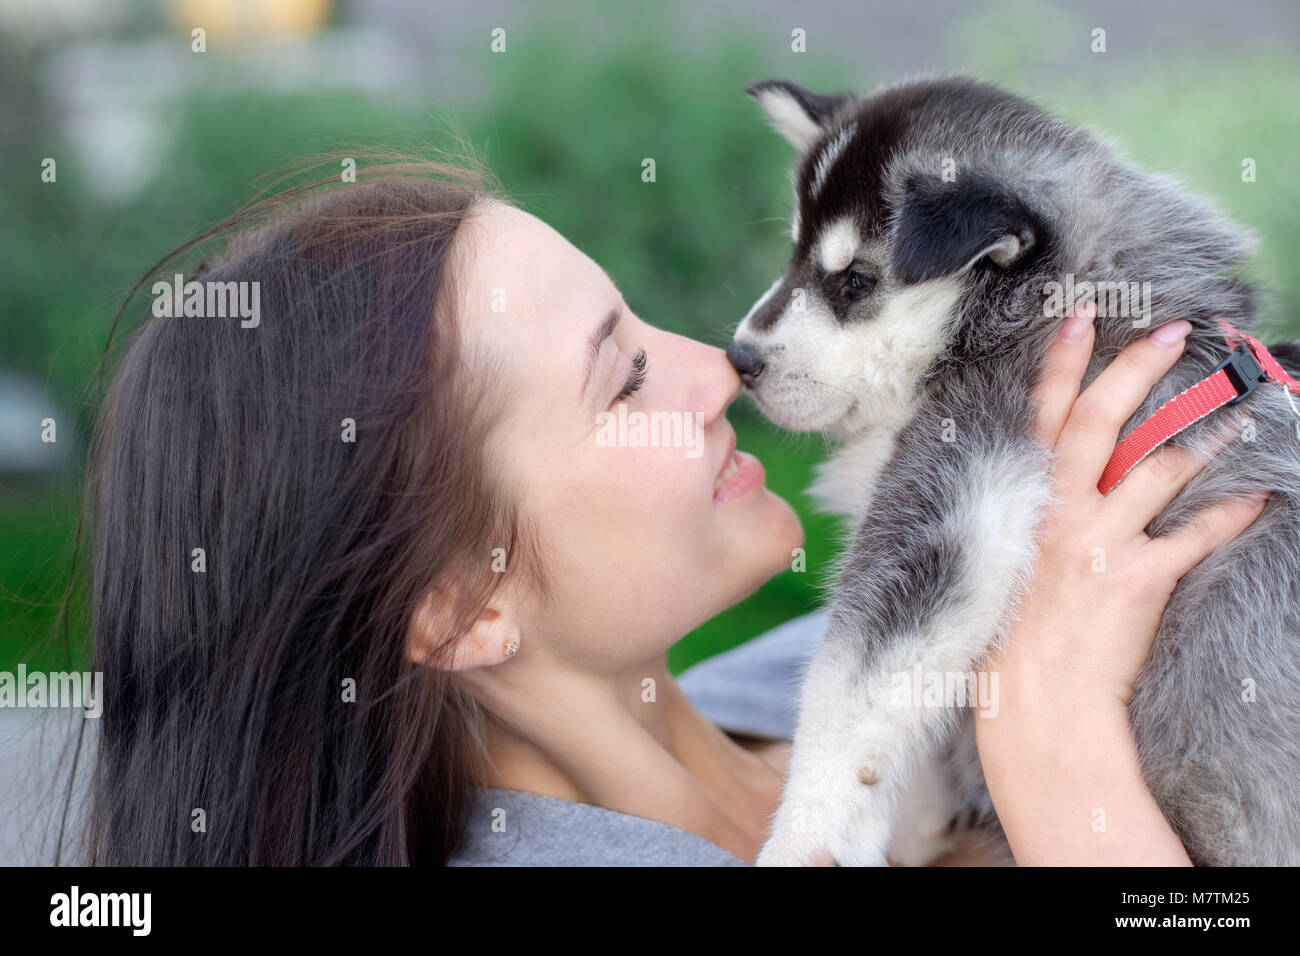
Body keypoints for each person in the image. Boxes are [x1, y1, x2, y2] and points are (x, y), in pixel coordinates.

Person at [76, 158, 1266, 866]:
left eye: (641, 321)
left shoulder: (893, 652)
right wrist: (1059, 757)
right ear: (459, 605)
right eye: (622, 377)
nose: (715, 367)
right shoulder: (1038, 684)